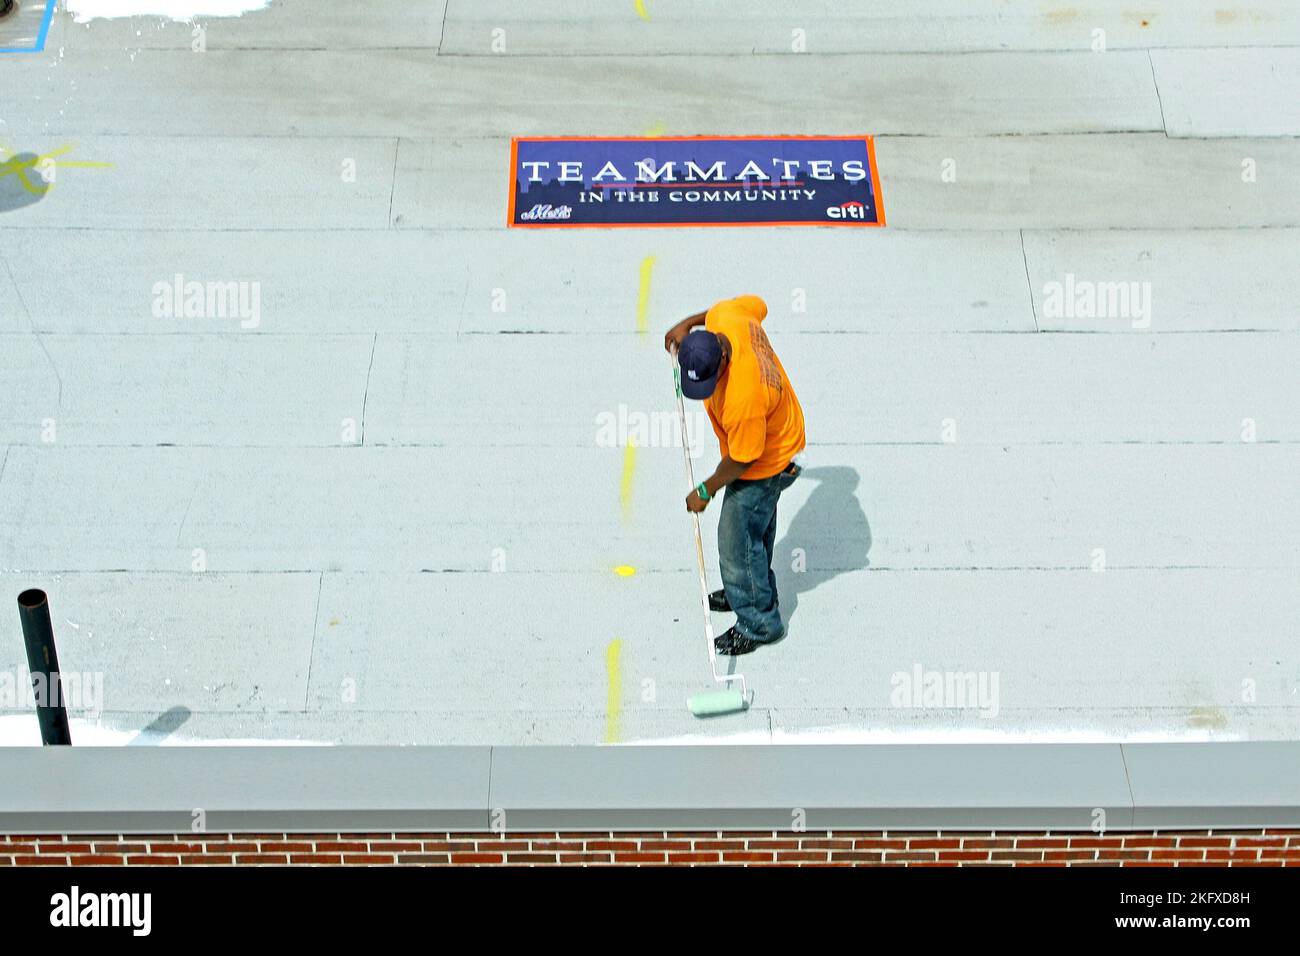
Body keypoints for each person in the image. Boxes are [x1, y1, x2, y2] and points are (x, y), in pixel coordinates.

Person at [664, 295, 806, 655]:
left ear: (723, 359)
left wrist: (706, 490)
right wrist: (690, 322)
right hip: (777, 430)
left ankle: (759, 623)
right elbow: (757, 304)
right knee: (755, 531)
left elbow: (744, 459)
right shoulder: (725, 318)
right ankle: (745, 585)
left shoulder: (744, 398)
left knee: (736, 537)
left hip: (765, 458)